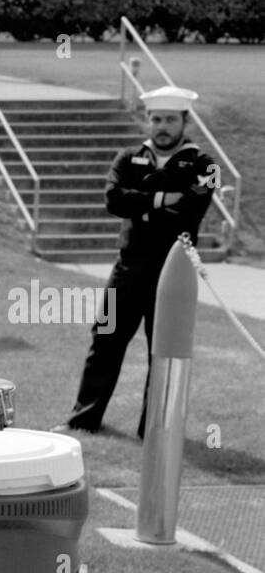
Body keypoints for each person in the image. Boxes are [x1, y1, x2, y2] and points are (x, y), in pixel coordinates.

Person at [57, 86, 217, 439]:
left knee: (161, 349)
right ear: (147, 120)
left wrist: (143, 205)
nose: (162, 126)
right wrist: (162, 198)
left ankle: (155, 430)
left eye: (170, 120)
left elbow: (189, 213)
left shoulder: (206, 166)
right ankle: (83, 420)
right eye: (156, 119)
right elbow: (113, 200)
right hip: (127, 268)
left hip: (173, 271)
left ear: (184, 122)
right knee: (105, 339)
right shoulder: (127, 158)